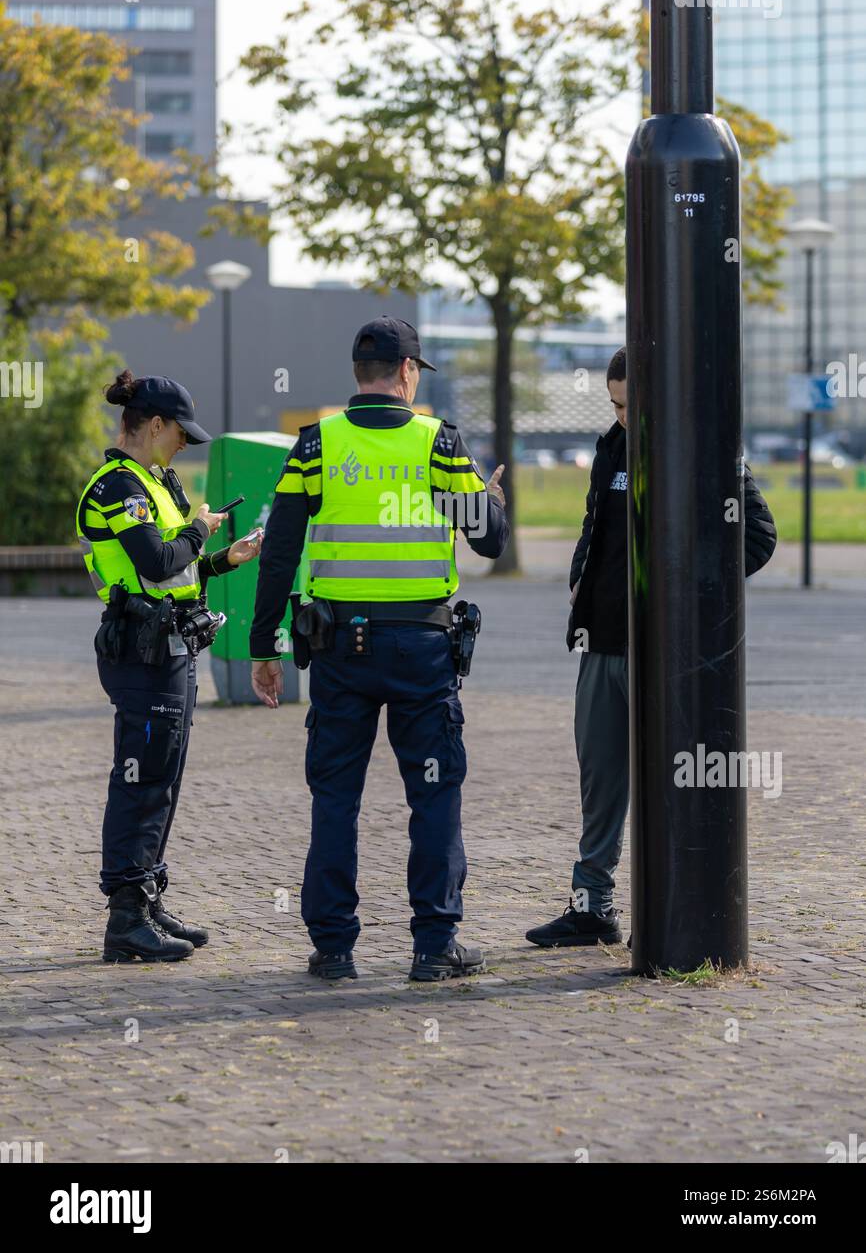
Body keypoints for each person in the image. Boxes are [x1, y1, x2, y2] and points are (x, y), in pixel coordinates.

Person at [249, 316, 509, 981]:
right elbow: (489, 542)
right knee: (433, 793)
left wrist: (264, 645)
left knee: (336, 796)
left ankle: (334, 948)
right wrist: (493, 499)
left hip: (339, 648)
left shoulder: (317, 444)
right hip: (422, 648)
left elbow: (279, 550)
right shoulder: (438, 443)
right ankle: (433, 946)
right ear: (407, 372)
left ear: (359, 373)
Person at [526, 346, 778, 949]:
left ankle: (677, 914)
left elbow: (759, 539)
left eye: (629, 405)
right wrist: (578, 576)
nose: (620, 417)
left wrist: (688, 603)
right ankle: (592, 908)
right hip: (601, 645)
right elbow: (594, 524)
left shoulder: (705, 448)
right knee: (601, 781)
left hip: (665, 655)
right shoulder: (609, 446)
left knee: (675, 783)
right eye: (613, 404)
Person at [76, 371, 262, 963]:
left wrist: (223, 559)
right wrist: (199, 529)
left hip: (172, 648)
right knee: (140, 779)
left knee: (164, 777)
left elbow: (180, 575)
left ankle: (148, 895)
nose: (186, 444)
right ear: (153, 425)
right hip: (140, 653)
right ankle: (125, 917)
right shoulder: (116, 488)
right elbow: (155, 563)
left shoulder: (156, 482)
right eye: (181, 433)